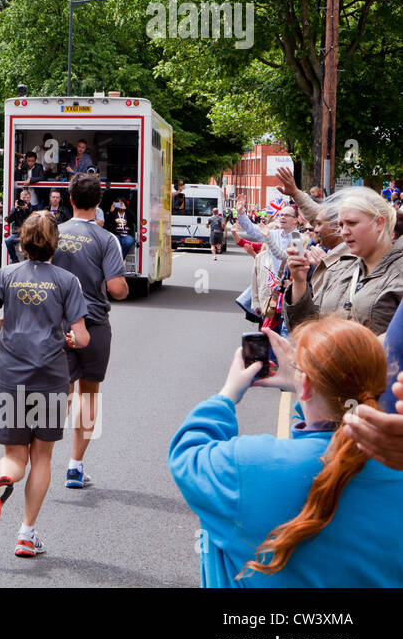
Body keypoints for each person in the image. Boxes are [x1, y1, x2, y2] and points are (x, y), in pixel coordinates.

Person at [169, 319, 403, 586]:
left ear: (306, 385)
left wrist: (227, 394)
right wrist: (305, 383)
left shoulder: (245, 464)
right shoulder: (396, 467)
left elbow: (186, 453)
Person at [0, 212, 89, 557]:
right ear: (56, 243)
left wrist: (8, 321)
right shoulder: (67, 281)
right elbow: (81, 337)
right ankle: (26, 535)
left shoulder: (6, 276)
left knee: (13, 456)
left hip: (12, 377)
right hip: (51, 378)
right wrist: (68, 337)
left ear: (22, 242)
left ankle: (4, 479)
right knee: (42, 457)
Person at [50, 173, 129, 491]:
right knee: (89, 395)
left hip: (57, 325)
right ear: (98, 203)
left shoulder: (54, 232)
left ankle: (41, 458)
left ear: (69, 199)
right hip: (94, 324)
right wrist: (121, 287)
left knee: (61, 394)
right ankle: (75, 466)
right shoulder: (106, 239)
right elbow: (116, 288)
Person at [286, 187, 403, 334]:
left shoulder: (399, 273)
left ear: (379, 223)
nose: (344, 232)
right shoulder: (338, 269)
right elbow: (307, 330)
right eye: (341, 225)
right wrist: (299, 282)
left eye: (352, 223)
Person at [5, 190, 31, 264]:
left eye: (27, 197)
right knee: (8, 241)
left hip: (29, 233)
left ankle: (27, 261)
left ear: (30, 198)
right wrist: (15, 208)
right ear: (20, 198)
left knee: (28, 244)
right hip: (17, 233)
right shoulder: (16, 209)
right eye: (24, 197)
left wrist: (27, 209)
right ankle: (14, 260)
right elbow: (9, 220)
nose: (26, 199)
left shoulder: (33, 208)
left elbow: (35, 220)